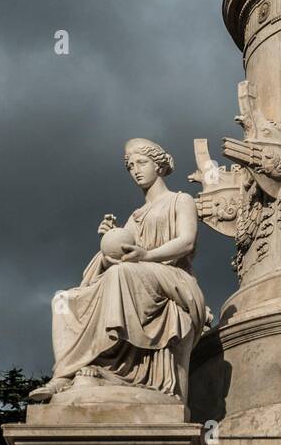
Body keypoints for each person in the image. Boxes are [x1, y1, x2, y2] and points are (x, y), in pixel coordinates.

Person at [29, 138, 206, 407]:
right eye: (130, 166)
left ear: (158, 166)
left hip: (173, 278)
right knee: (63, 299)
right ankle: (65, 373)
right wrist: (108, 242)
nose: (136, 170)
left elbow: (186, 242)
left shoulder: (180, 200)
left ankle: (98, 363)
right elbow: (118, 257)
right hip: (137, 277)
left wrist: (146, 255)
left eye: (142, 163)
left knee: (120, 275)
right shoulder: (135, 217)